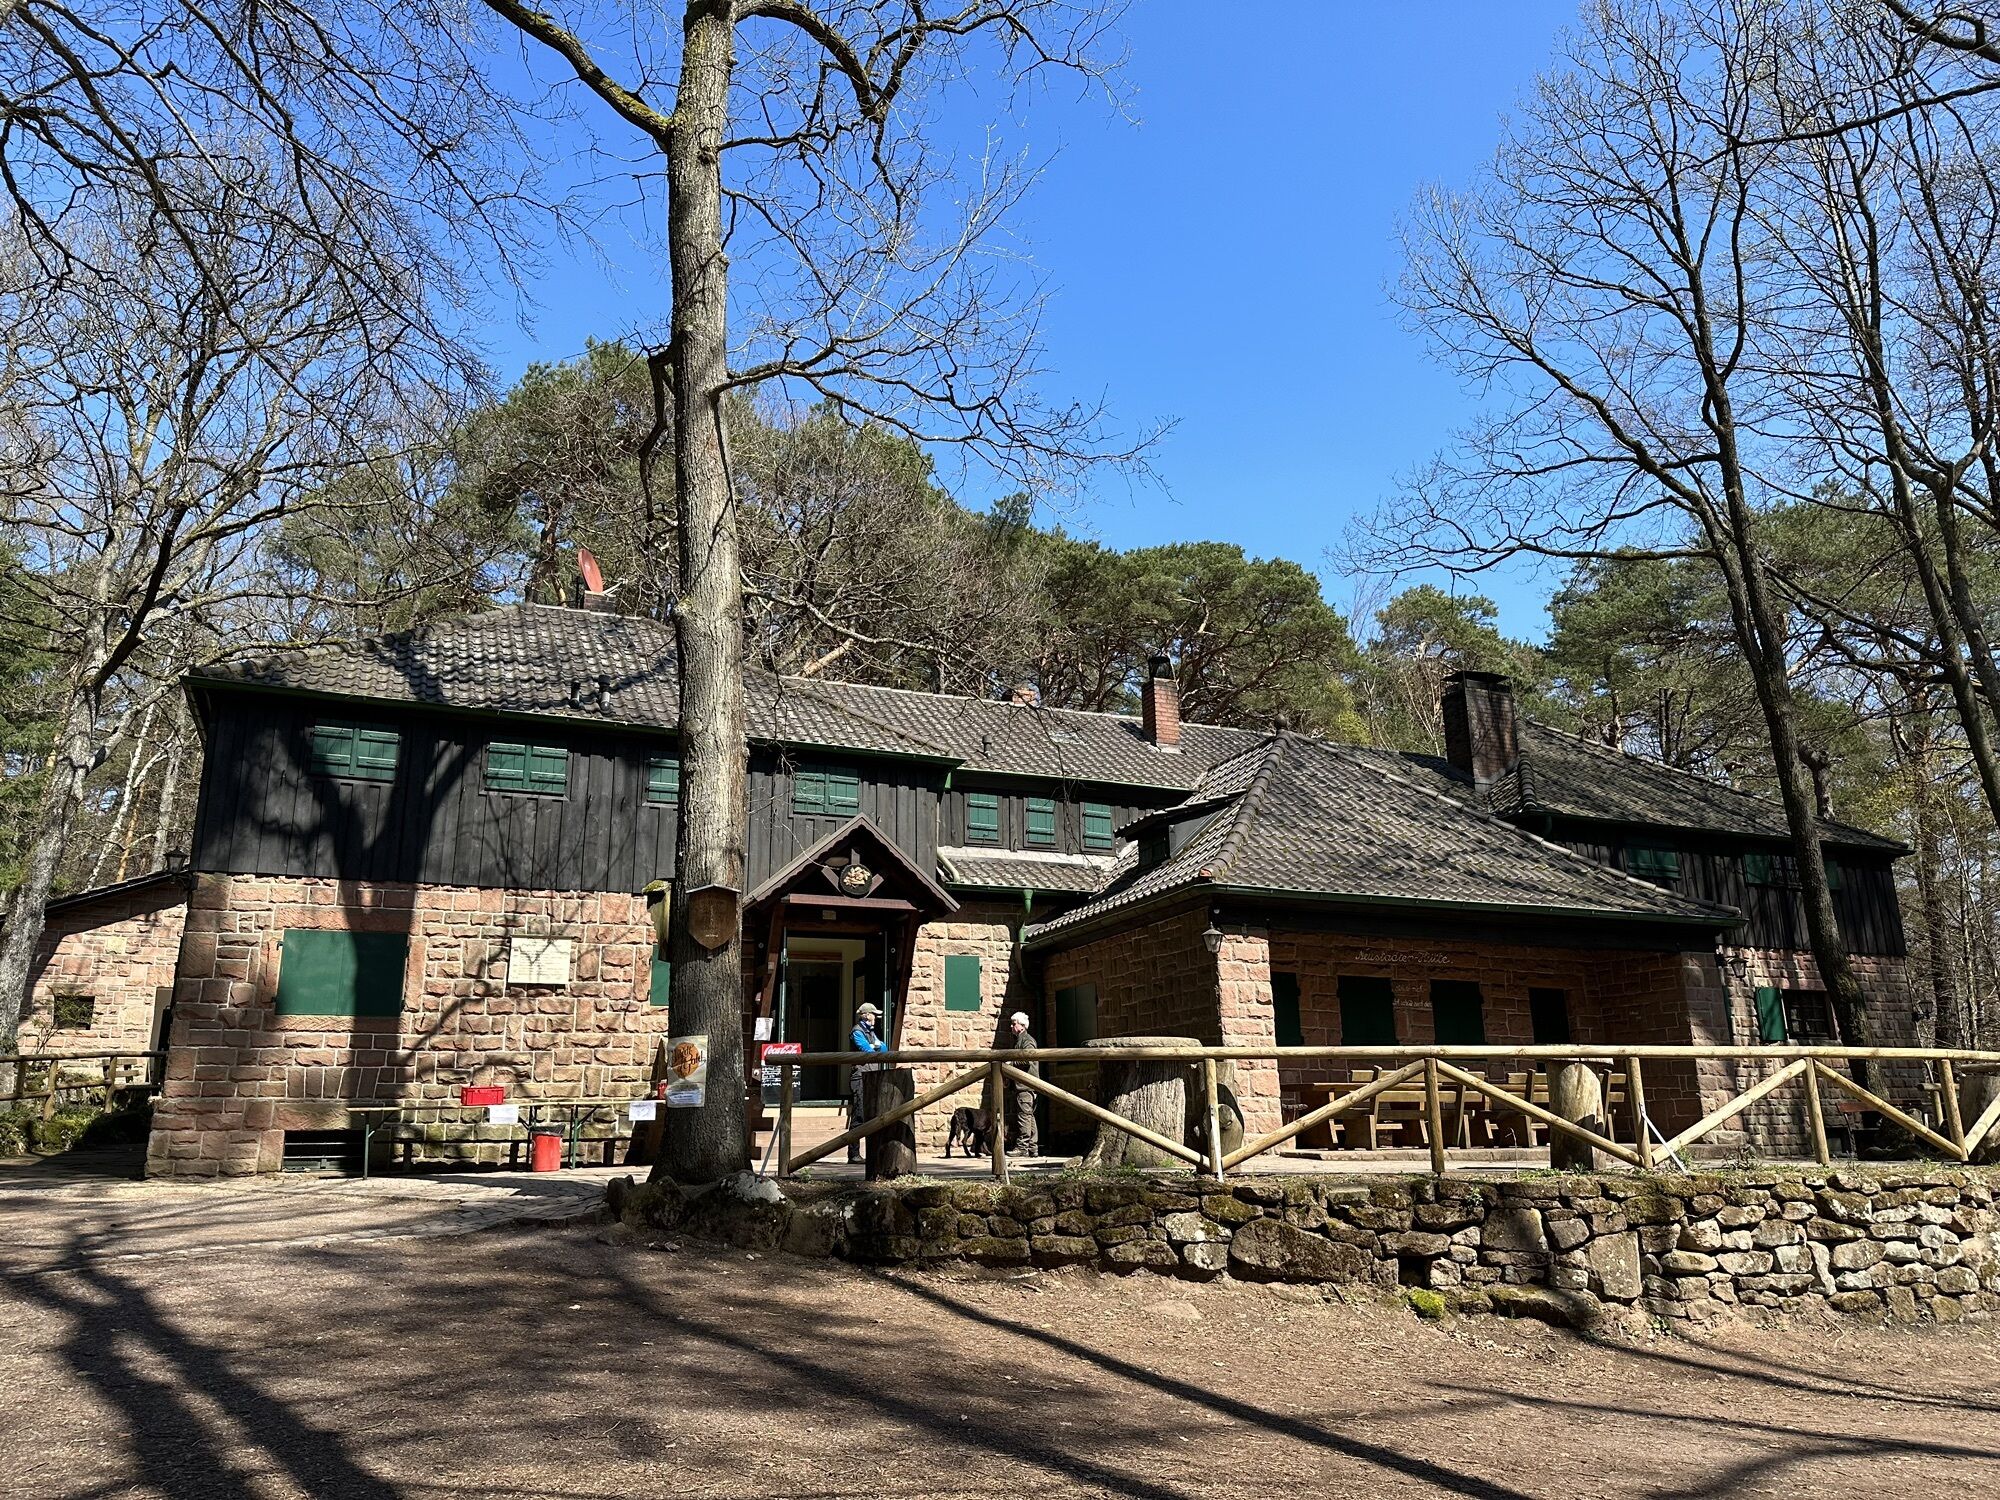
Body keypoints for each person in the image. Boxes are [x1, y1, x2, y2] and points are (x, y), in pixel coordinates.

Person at [847, 1002, 888, 1164]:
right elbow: (867, 1050)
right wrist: (874, 1046)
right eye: (873, 1014)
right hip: (860, 1077)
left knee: (872, 1114)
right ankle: (853, 1154)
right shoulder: (857, 1031)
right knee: (859, 1116)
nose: (876, 1017)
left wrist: (876, 1045)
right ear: (865, 1015)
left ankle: (872, 1152)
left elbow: (884, 1049)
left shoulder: (869, 1031)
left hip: (871, 1076)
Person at [1006, 1010, 1040, 1157]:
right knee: (1029, 1116)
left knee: (1024, 1116)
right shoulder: (1021, 1040)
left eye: (1014, 1024)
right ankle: (1033, 1147)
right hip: (1025, 1085)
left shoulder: (1027, 1041)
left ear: (1022, 1026)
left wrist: (1011, 1062)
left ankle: (1022, 1147)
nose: (1011, 1027)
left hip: (1026, 1085)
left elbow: (1027, 1059)